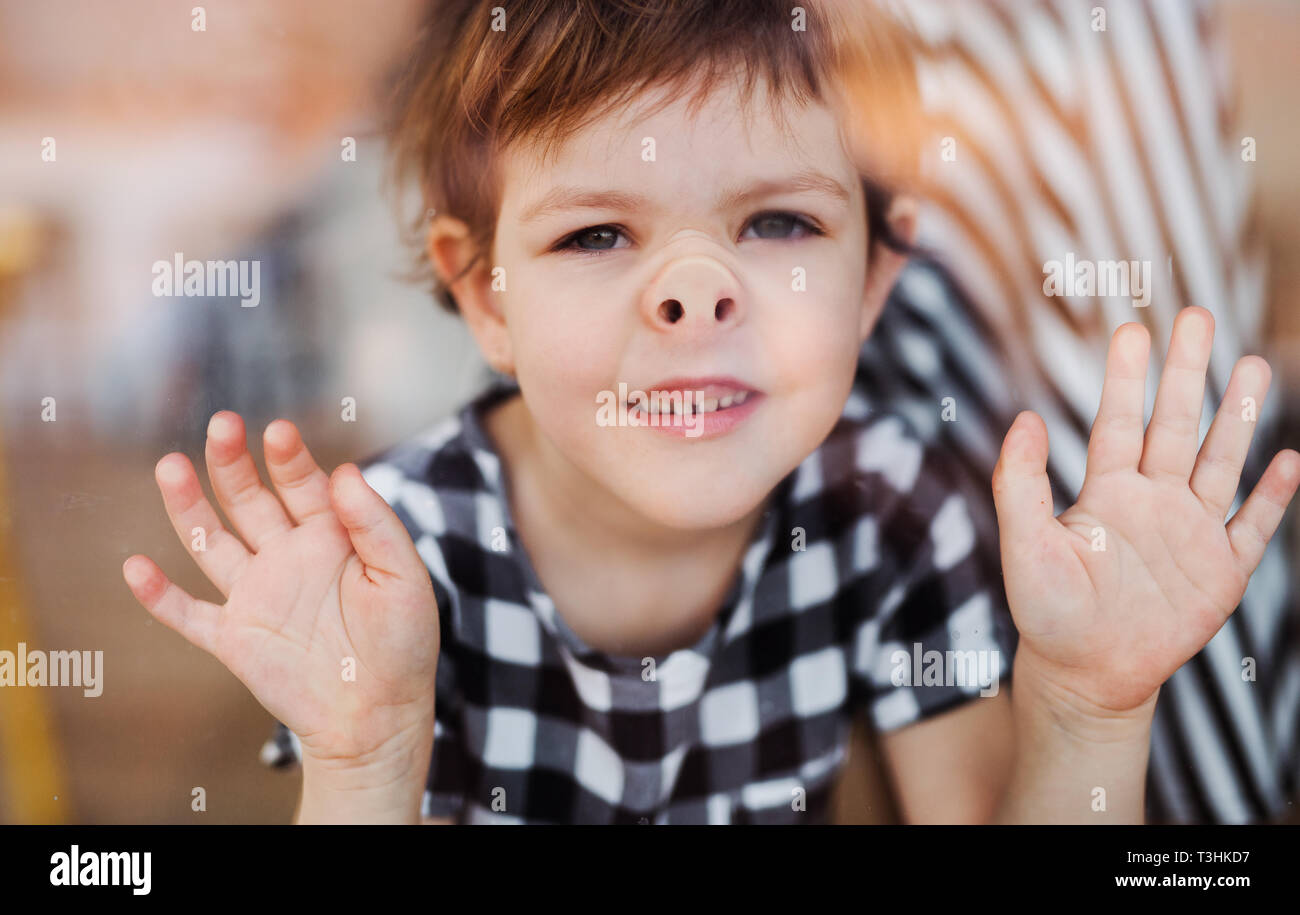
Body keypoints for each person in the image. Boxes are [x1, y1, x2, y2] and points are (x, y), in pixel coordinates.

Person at [121, 0, 1298, 824]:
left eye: (777, 223)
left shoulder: (899, 512)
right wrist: (366, 759)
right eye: (595, 234)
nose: (692, 291)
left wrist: (1089, 702)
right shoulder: (395, 555)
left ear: (875, 280)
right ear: (486, 296)